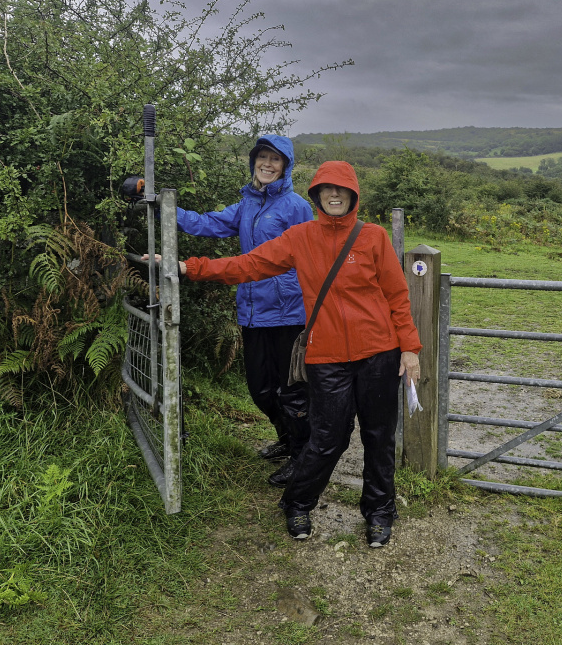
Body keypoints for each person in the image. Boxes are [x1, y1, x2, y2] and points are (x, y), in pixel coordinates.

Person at [174, 160, 421, 548]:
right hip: (326, 355)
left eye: (342, 190)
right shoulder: (300, 237)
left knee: (379, 435)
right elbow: (249, 265)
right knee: (329, 436)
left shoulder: (372, 237)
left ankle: (379, 512)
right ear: (317, 196)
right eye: (327, 190)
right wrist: (190, 267)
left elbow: (397, 294)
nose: (335, 195)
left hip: (378, 352)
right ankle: (297, 502)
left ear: (353, 195)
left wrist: (409, 348)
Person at [176, 135, 312, 486]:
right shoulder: (246, 205)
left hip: (289, 312)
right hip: (252, 311)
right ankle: (286, 439)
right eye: (261, 158)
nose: (266, 164)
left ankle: (302, 456)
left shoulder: (296, 206)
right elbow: (206, 223)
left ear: (286, 166)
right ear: (254, 162)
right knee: (260, 389)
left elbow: (312, 259)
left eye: (274, 159)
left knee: (291, 390)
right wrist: (166, 210)